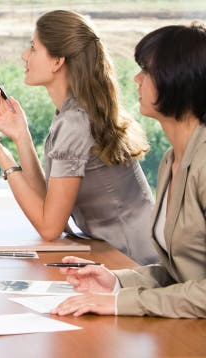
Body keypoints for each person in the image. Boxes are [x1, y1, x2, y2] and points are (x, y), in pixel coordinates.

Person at [0, 10, 157, 264]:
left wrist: (1, 157)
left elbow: (49, 228)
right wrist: (21, 136)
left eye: (33, 49)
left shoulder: (74, 122)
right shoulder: (72, 113)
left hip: (134, 263)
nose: (25, 56)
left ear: (58, 61)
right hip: (118, 256)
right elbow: (49, 203)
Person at [53, 23, 206, 318]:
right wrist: (116, 281)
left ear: (177, 79)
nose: (136, 79)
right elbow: (184, 274)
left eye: (146, 71)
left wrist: (119, 303)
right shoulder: (173, 159)